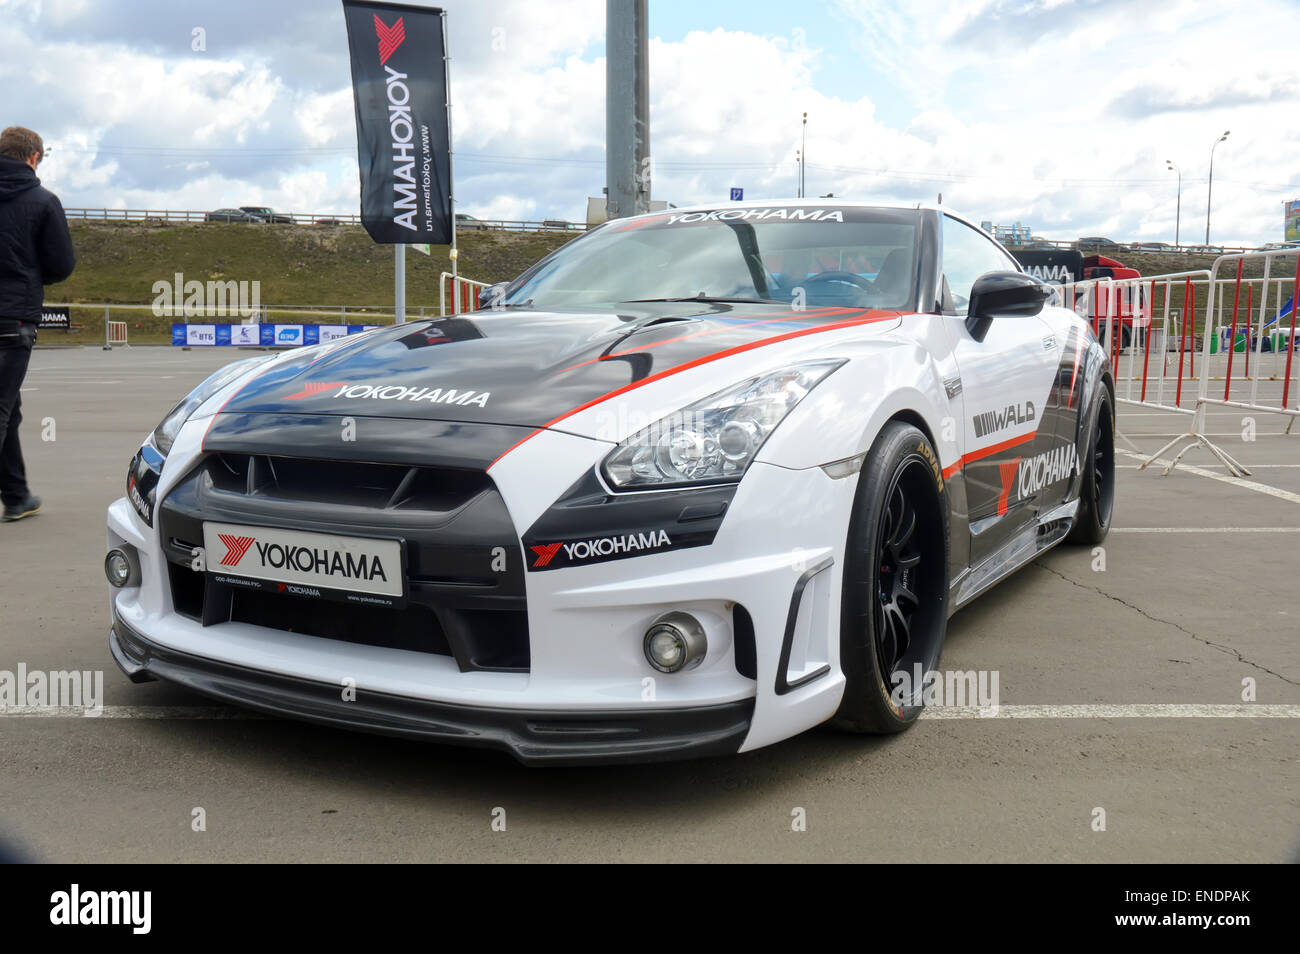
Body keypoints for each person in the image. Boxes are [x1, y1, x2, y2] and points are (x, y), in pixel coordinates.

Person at [0, 126, 75, 522]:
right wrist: (30, 273)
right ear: (33, 158)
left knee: (9, 407)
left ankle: (16, 495)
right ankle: (14, 494)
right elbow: (62, 264)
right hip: (12, 318)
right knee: (1, 406)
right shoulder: (42, 201)